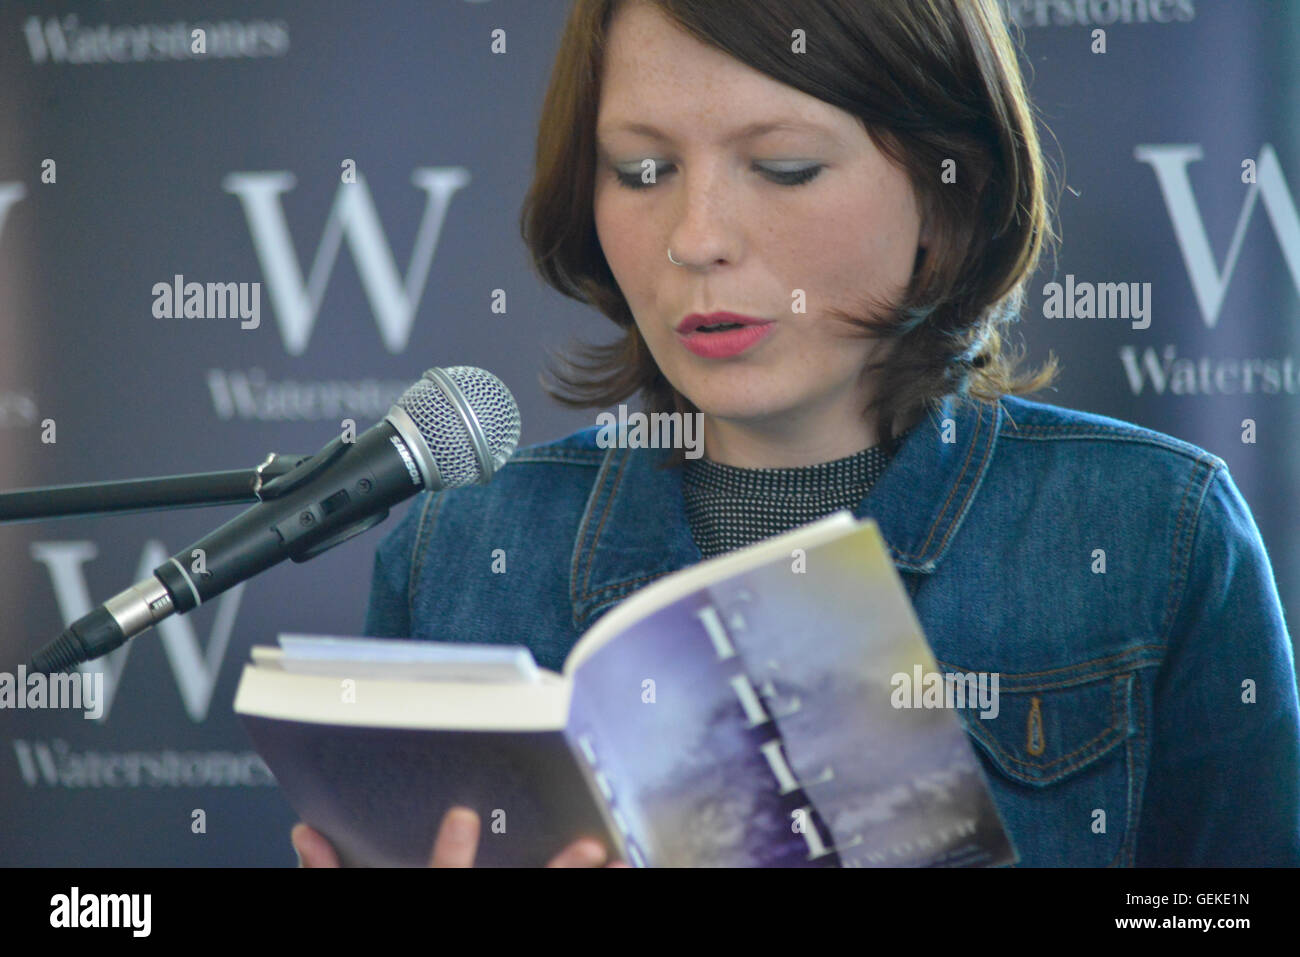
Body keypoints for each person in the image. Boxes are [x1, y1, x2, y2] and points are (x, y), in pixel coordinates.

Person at [294, 0, 1300, 867]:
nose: (695, 237)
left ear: (948, 195)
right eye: (641, 171)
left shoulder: (1152, 532)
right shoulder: (456, 554)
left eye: (781, 166)